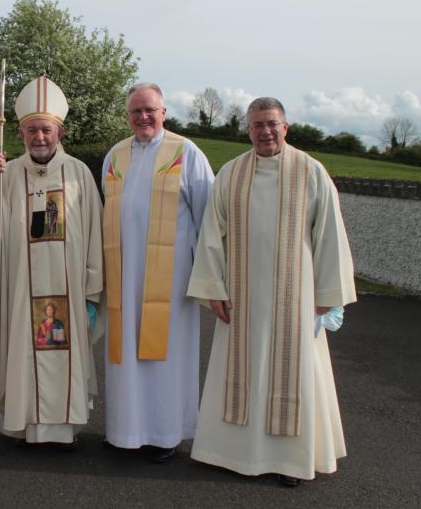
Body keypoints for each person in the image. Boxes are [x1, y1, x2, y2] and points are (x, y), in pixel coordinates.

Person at [187, 97, 357, 487]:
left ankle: (289, 462)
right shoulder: (231, 174)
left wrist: (327, 294)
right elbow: (212, 235)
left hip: (293, 299)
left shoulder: (311, 172)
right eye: (257, 125)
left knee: (291, 375)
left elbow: (329, 234)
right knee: (239, 374)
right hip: (241, 298)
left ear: (286, 126)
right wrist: (214, 287)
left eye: (271, 123)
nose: (265, 131)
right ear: (247, 130)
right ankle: (230, 453)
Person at [0, 76, 104, 447]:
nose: (39, 137)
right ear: (20, 133)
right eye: (31, 130)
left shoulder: (79, 173)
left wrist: (92, 286)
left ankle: (62, 430)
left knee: (65, 355)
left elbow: (95, 233)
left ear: (60, 131)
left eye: (46, 130)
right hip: (21, 286)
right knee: (23, 353)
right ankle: (23, 425)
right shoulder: (10, 173)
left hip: (66, 286)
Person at [102, 83, 214, 462]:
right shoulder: (115, 155)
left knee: (165, 357)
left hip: (170, 280)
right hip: (122, 274)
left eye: (150, 110)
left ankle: (166, 434)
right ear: (127, 116)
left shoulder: (186, 152)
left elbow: (208, 219)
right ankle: (125, 431)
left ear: (164, 112)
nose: (143, 117)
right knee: (125, 357)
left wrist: (206, 277)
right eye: (136, 111)